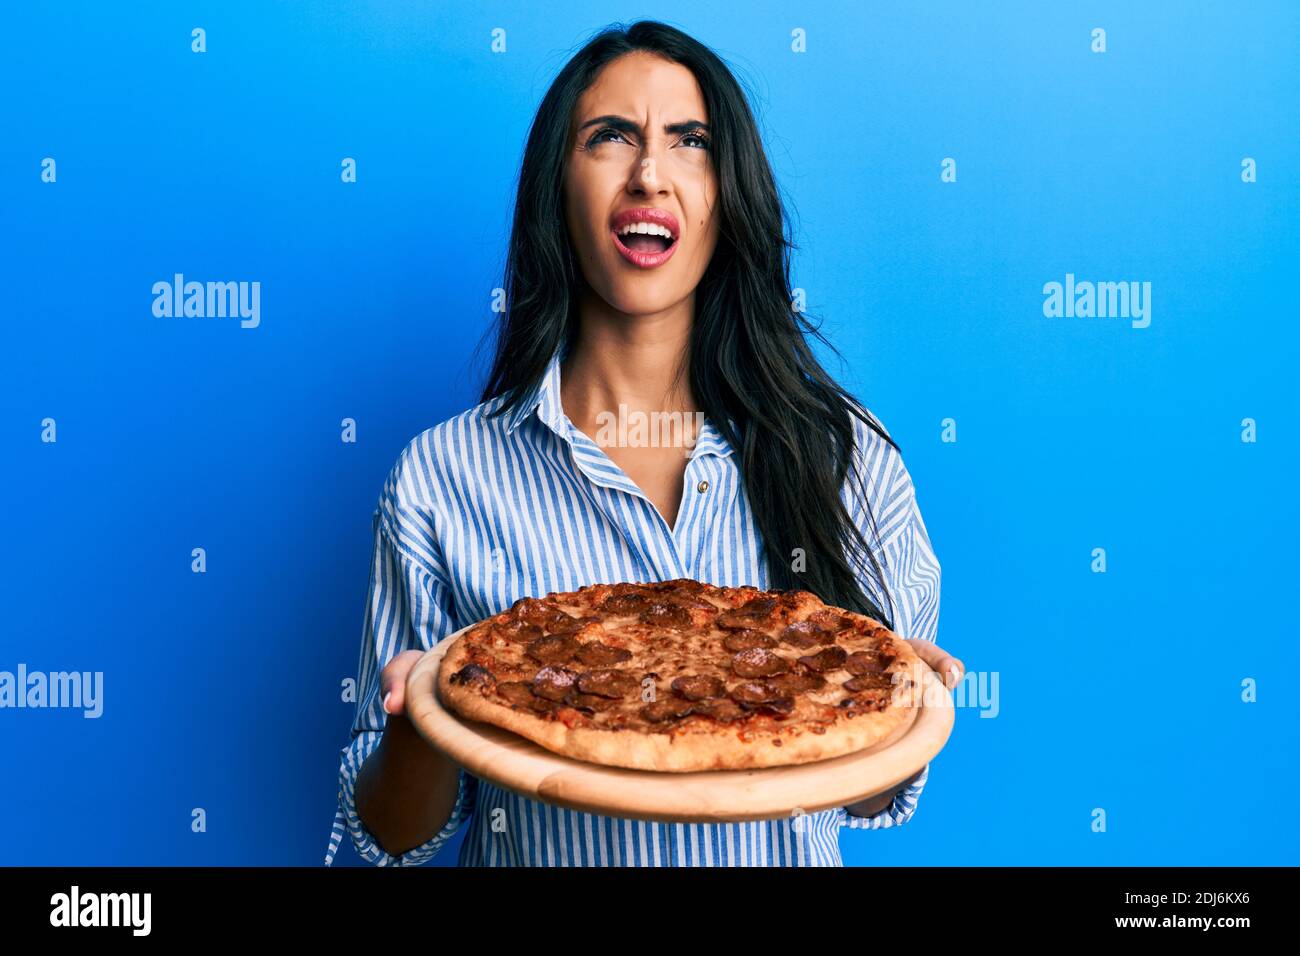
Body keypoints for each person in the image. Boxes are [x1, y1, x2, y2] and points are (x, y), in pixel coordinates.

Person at [325, 19, 963, 867]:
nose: (649, 174)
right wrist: (418, 721)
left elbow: (874, 793)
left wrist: (884, 705)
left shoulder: (842, 454)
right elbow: (389, 839)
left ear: (728, 191)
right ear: (559, 185)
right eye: (610, 137)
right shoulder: (443, 477)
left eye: (689, 142)